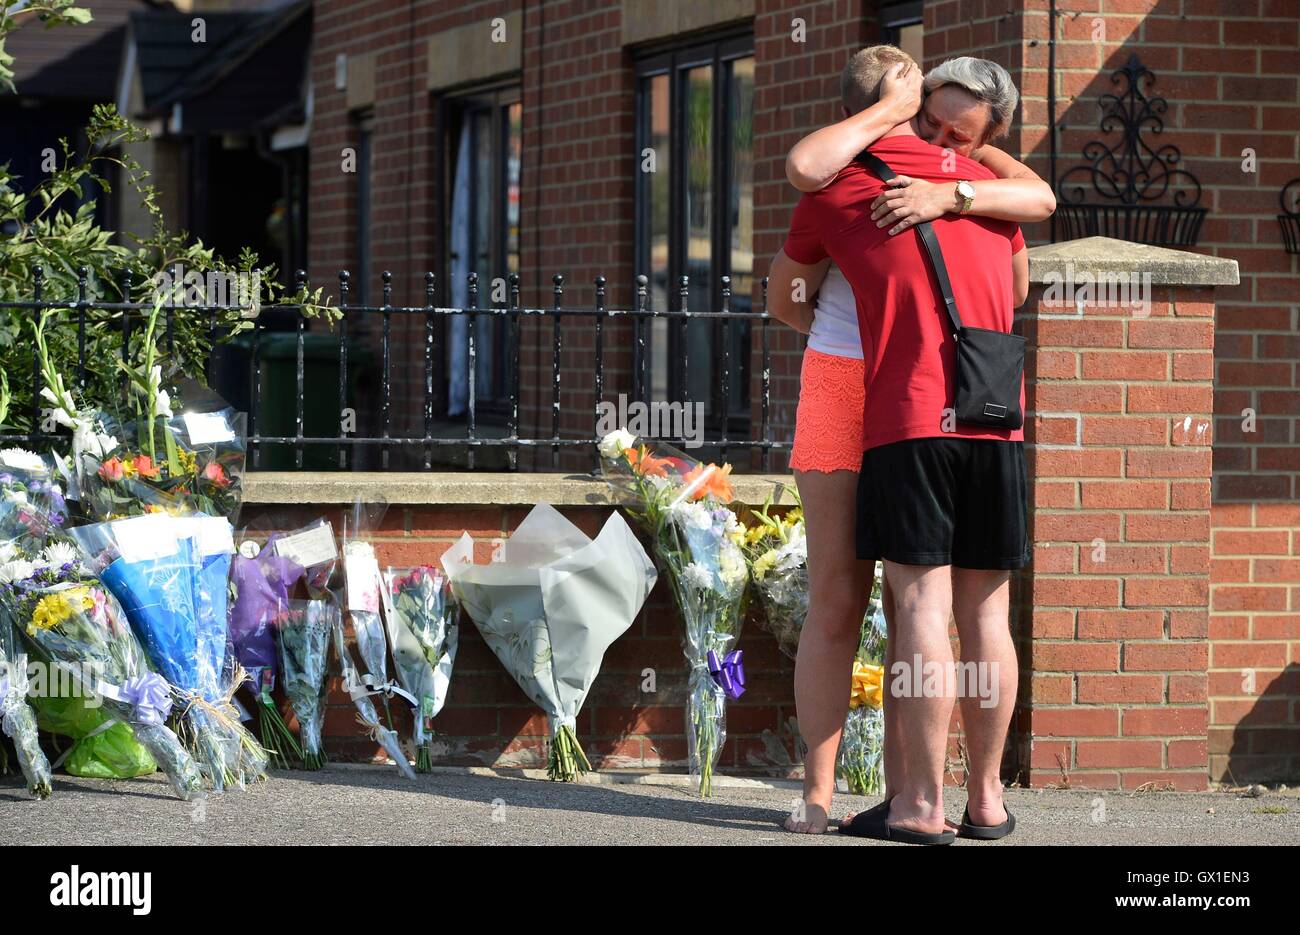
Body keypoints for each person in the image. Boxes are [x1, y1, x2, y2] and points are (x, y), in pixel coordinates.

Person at [768, 49, 1052, 841]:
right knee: (885, 599)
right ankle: (846, 795)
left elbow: (782, 281)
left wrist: (948, 185)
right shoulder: (970, 198)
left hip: (913, 402)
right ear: (903, 102)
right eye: (929, 115)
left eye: (959, 130)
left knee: (913, 603)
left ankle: (913, 800)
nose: (941, 137)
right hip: (951, 400)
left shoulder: (941, 187)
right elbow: (789, 298)